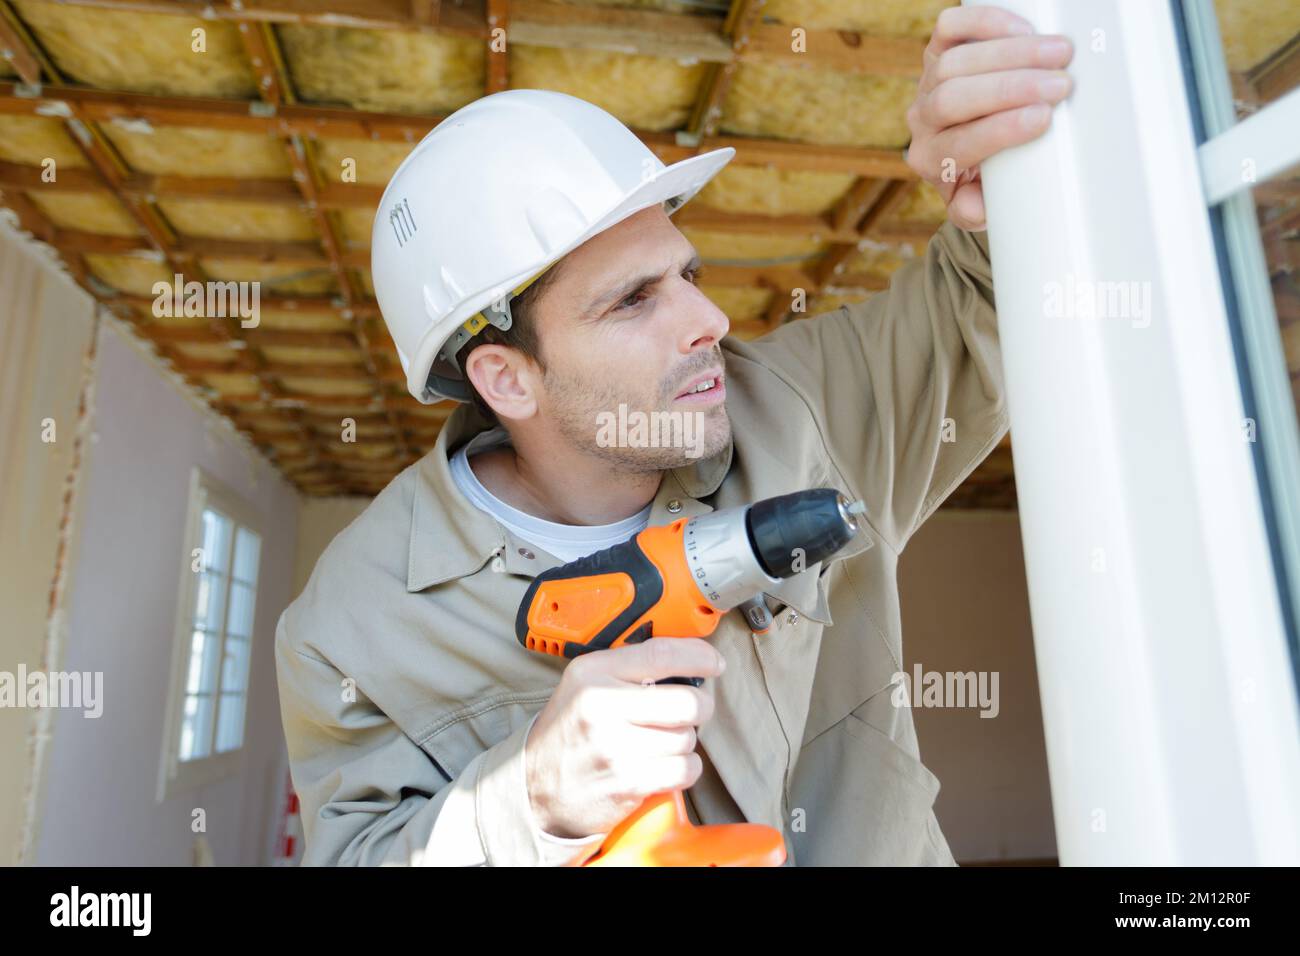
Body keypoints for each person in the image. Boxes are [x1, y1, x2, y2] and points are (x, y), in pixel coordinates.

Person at [274, 5, 1074, 866]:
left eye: (688, 273)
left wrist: (1000, 171)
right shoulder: (353, 625)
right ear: (506, 378)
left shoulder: (803, 410)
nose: (711, 320)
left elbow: (993, 295)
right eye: (633, 300)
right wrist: (529, 799)